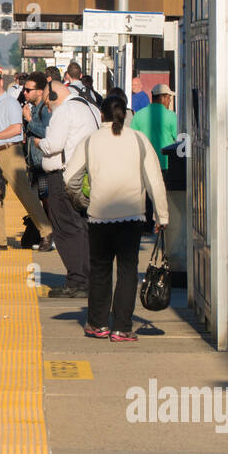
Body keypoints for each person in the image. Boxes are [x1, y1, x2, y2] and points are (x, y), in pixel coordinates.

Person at [64, 93, 168, 342]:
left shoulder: (90, 141)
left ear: (102, 114)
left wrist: (82, 201)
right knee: (128, 270)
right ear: (126, 113)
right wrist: (161, 215)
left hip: (99, 217)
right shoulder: (139, 139)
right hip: (132, 217)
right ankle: (122, 327)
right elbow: (155, 181)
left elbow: (69, 179)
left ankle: (98, 324)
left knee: (100, 271)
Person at [29, 79, 101, 295]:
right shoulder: (90, 108)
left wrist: (39, 143)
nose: (49, 108)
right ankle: (87, 277)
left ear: (52, 96)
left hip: (62, 176)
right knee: (82, 226)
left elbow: (54, 144)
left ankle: (76, 281)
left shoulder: (64, 110)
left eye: (48, 105)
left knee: (65, 229)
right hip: (84, 175)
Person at [0, 68, 54, 250]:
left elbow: (16, 129)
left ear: (1, 83)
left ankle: (46, 232)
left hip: (10, 152)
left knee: (25, 194)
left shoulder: (10, 104)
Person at [22, 71, 55, 250]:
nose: (25, 93)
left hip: (43, 163)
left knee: (46, 199)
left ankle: (48, 237)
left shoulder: (46, 109)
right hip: (36, 163)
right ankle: (44, 235)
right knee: (39, 199)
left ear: (40, 91)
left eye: (28, 90)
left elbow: (48, 133)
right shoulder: (37, 108)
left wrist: (29, 121)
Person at [131, 83, 177, 170]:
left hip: (145, 164)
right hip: (166, 165)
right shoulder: (172, 116)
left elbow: (133, 140)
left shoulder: (138, 115)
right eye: (168, 97)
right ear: (162, 98)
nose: (170, 101)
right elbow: (180, 139)